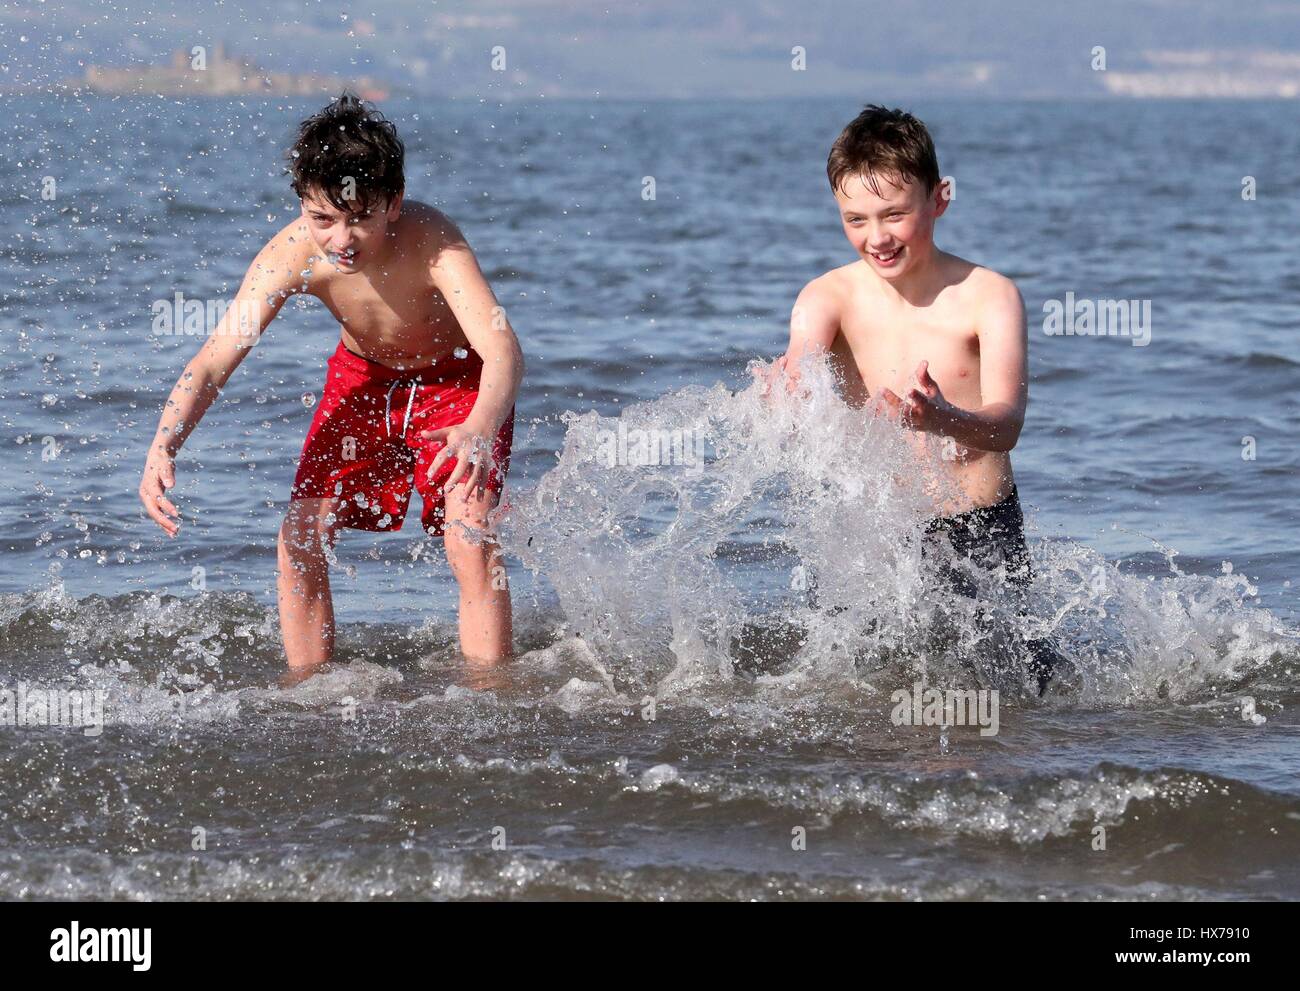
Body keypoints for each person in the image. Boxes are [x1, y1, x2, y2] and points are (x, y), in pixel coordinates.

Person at [138, 93, 524, 679]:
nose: (341, 240)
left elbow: (502, 348)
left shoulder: (433, 241)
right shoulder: (291, 255)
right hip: (363, 381)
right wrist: (164, 444)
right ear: (303, 205)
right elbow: (215, 360)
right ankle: (308, 690)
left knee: (468, 533)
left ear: (393, 204)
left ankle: (493, 690)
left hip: (459, 386)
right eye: (323, 219)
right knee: (299, 535)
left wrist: (480, 426)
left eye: (359, 218)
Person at [774, 104, 1059, 693]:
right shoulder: (826, 298)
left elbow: (1007, 426)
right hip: (874, 536)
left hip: (977, 529)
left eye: (894, 215)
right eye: (855, 219)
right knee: (868, 699)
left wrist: (944, 419)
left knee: (1017, 700)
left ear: (940, 199)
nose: (875, 238)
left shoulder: (990, 297)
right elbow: (800, 373)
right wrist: (783, 397)